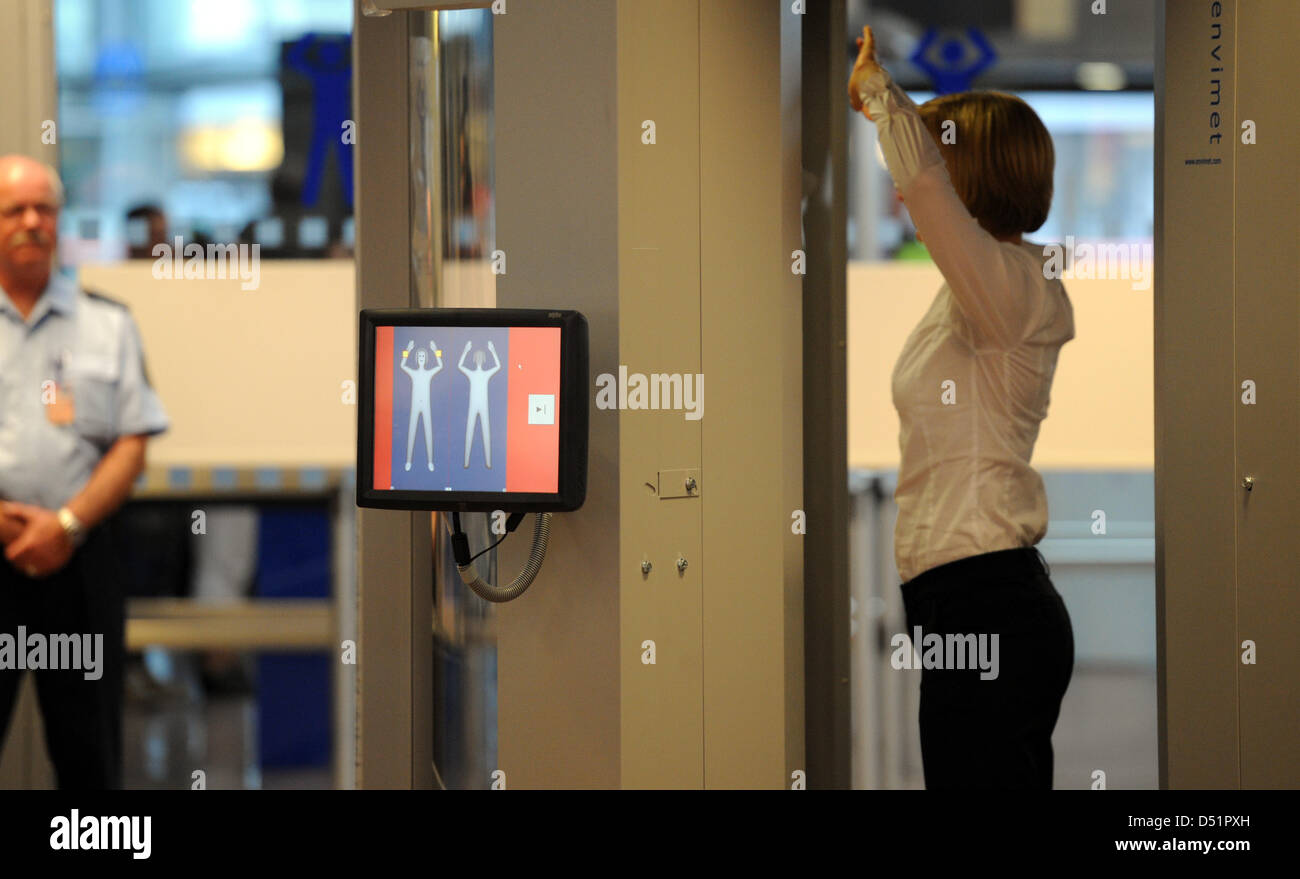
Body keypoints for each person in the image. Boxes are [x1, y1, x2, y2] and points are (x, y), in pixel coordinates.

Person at [848, 27, 1076, 789]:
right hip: (955, 604)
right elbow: (926, 188)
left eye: (945, 163)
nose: (914, 188)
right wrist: (897, 109)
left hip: (989, 605)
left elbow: (922, 186)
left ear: (967, 177)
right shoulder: (972, 294)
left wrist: (882, 96)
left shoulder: (1010, 292)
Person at [0, 155, 170, 788]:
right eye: (14, 209)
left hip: (80, 564)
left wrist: (65, 525)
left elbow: (132, 441)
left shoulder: (108, 324)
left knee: (89, 754)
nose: (31, 221)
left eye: (44, 208)